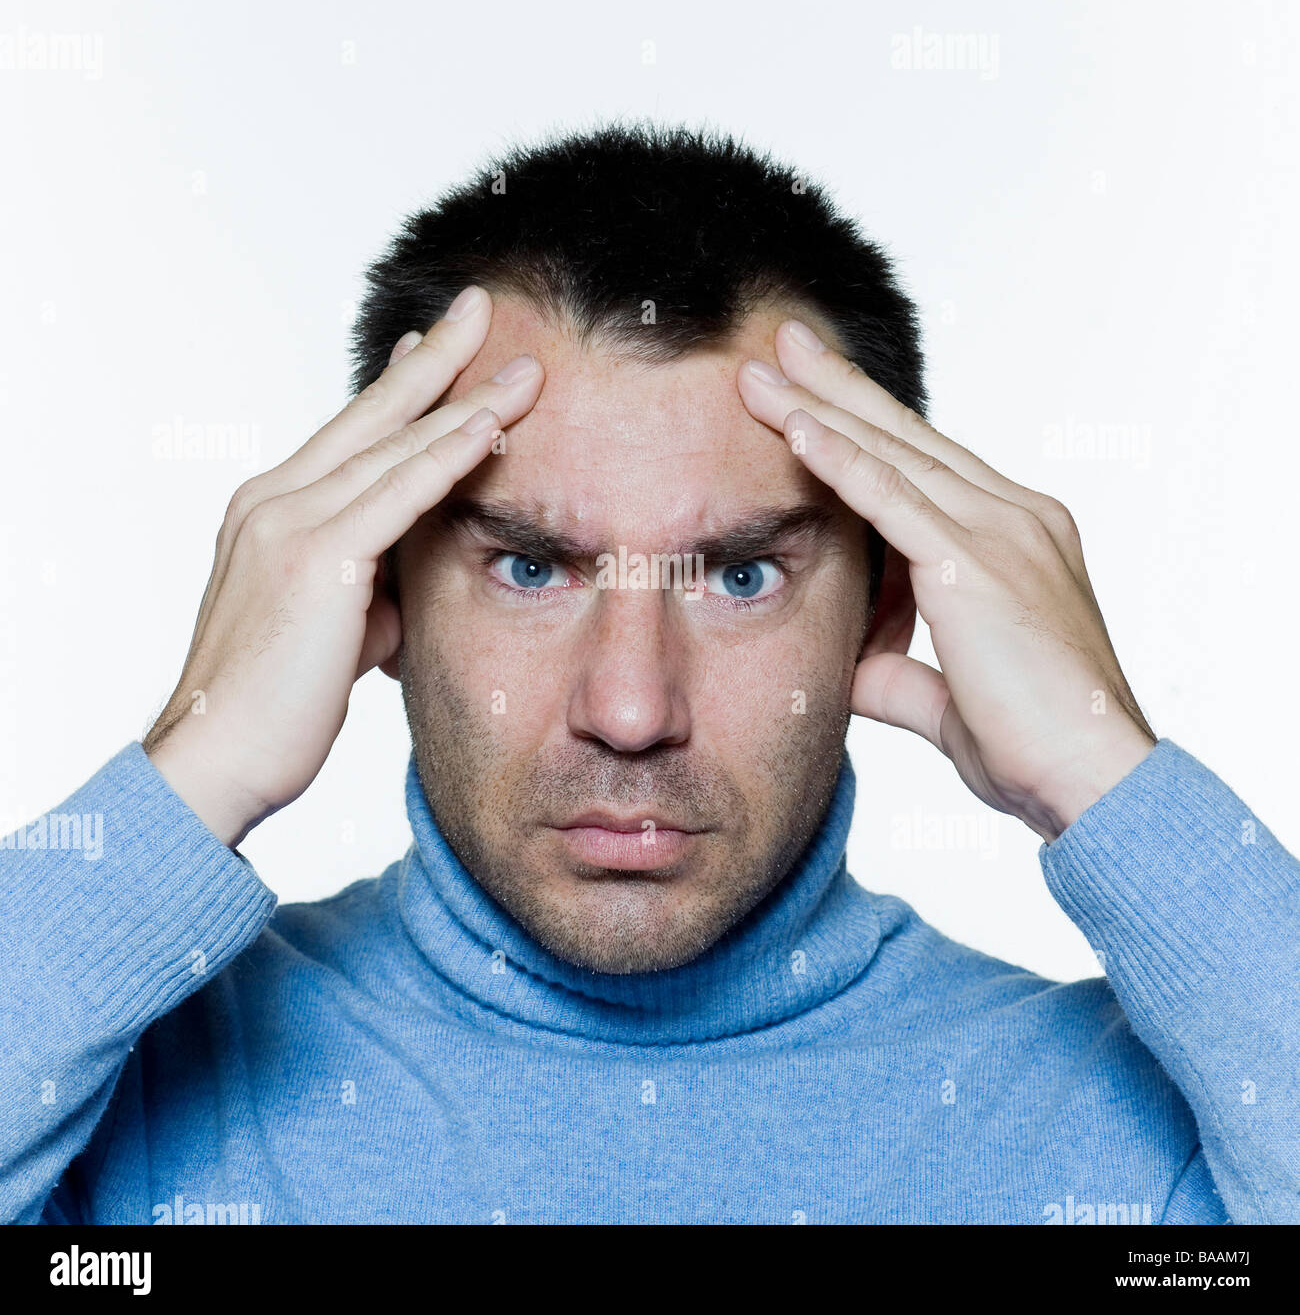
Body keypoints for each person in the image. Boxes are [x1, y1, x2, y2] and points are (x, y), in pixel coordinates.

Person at [3, 122, 1295, 1225]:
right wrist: (194, 773)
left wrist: (1109, 777)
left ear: (890, 601)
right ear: (372, 592)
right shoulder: (108, 1103)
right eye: (529, 567)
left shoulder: (1139, 1150)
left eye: (740, 576)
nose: (629, 710)